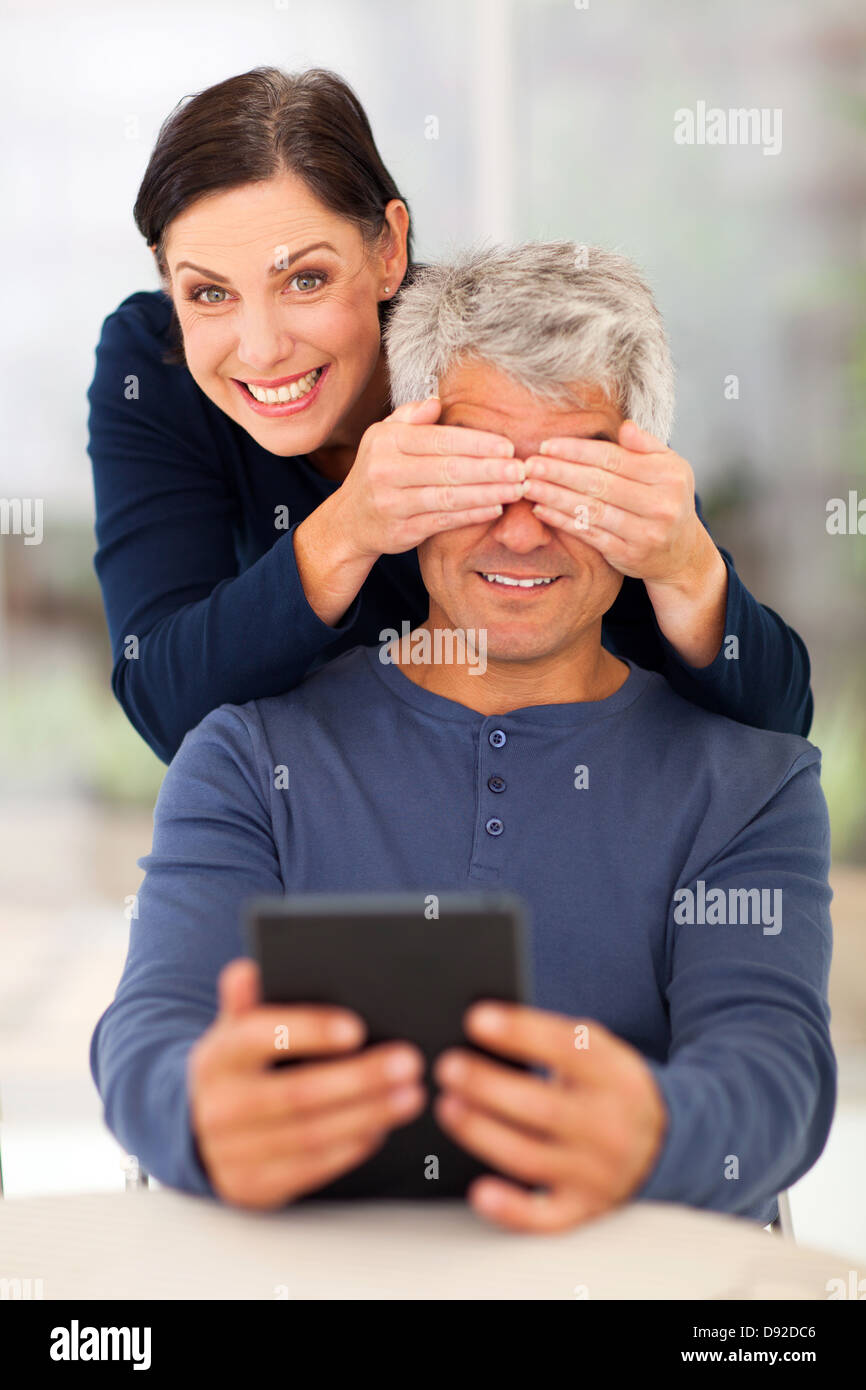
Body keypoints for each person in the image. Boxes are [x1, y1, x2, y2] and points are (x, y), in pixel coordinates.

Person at [90, 243, 834, 1234]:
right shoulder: (243, 758)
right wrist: (198, 1108)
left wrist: (658, 1129)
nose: (520, 531)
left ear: (648, 492)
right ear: (400, 472)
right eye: (478, 472)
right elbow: (148, 1037)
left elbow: (774, 1072)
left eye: (571, 479)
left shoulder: (750, 781)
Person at [88, 66, 813, 765]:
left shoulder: (482, 355)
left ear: (390, 250)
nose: (262, 348)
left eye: (305, 279)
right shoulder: (154, 367)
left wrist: (688, 568)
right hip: (317, 815)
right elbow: (166, 706)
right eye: (209, 293)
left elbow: (773, 723)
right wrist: (349, 528)